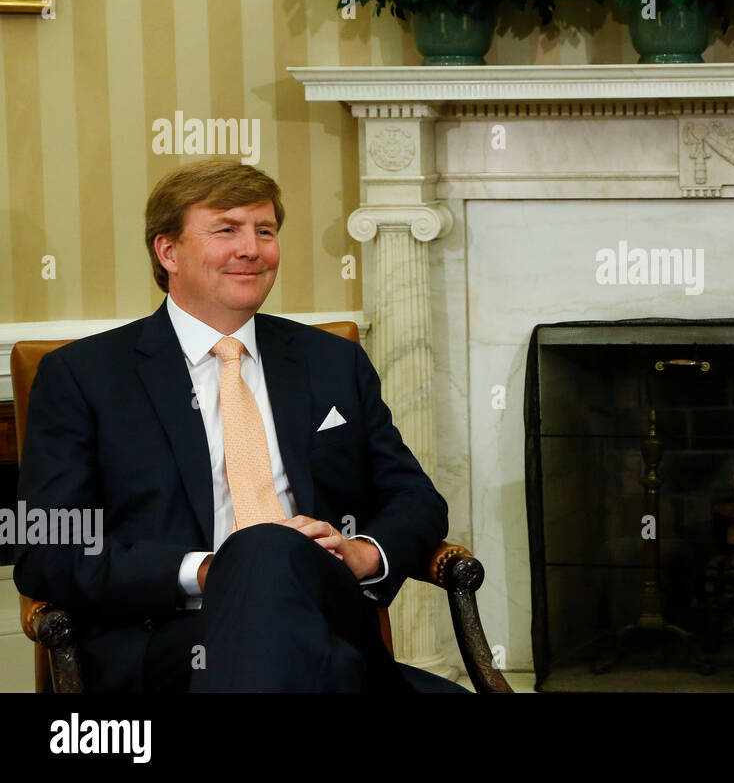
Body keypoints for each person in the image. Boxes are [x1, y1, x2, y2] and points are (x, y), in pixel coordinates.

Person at [16, 158, 456, 692]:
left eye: (265, 231)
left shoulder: (331, 362)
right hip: (173, 640)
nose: (252, 248)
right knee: (265, 551)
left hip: (327, 618)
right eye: (227, 229)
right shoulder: (83, 377)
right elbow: (49, 548)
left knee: (275, 557)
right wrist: (210, 569)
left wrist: (361, 552)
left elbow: (416, 500)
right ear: (168, 251)